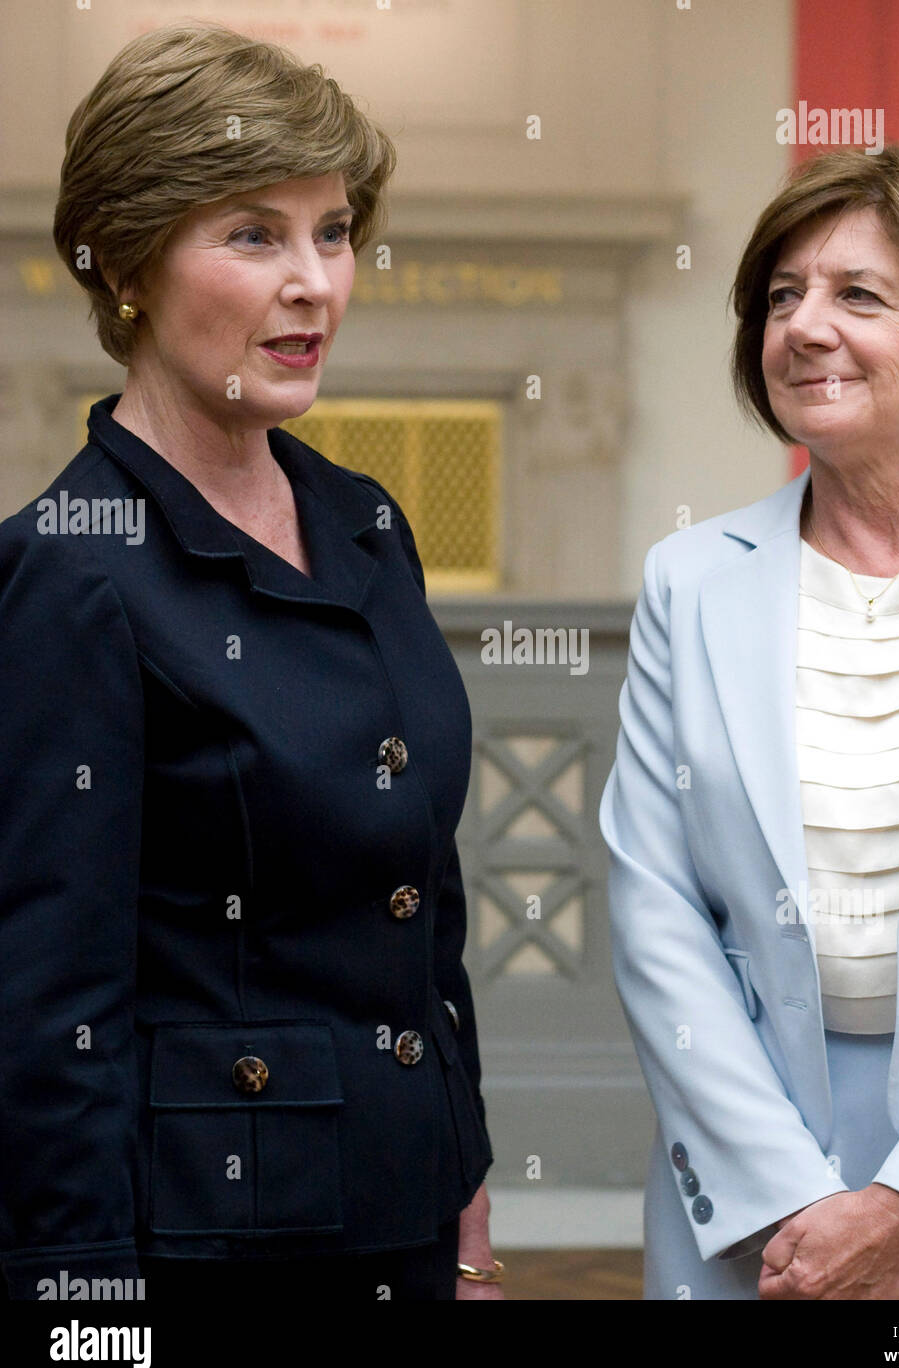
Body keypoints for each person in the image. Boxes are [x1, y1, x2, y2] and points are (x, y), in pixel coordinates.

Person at [0, 21, 503, 1302]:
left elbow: (421, 904)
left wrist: (464, 1177)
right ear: (122, 263)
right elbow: (49, 1005)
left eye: (331, 232)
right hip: (209, 1247)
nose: (315, 283)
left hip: (403, 1211)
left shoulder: (366, 520)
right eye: (252, 234)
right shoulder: (69, 569)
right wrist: (80, 1314)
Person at [600, 141, 899, 1300]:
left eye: (858, 294)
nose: (804, 326)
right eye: (780, 296)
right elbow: (654, 903)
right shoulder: (690, 579)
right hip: (746, 1175)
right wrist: (792, 1202)